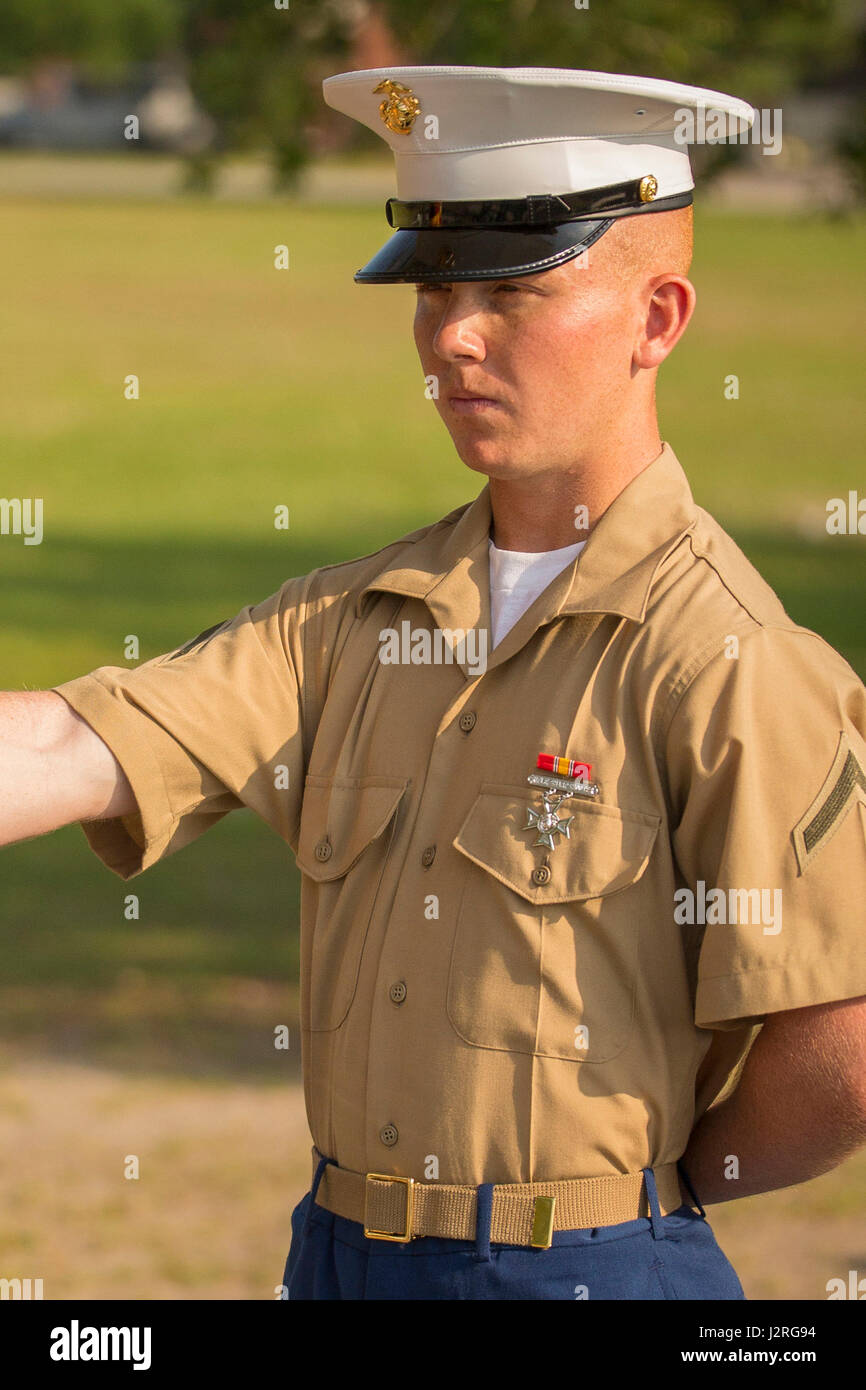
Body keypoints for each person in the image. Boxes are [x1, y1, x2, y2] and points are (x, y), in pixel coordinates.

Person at [2, 66, 865, 1302]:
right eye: (435, 288)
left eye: (512, 291)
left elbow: (838, 1053)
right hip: (338, 1255)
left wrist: (631, 1209)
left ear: (657, 319)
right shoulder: (348, 619)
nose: (452, 334)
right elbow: (63, 750)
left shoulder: (729, 661)